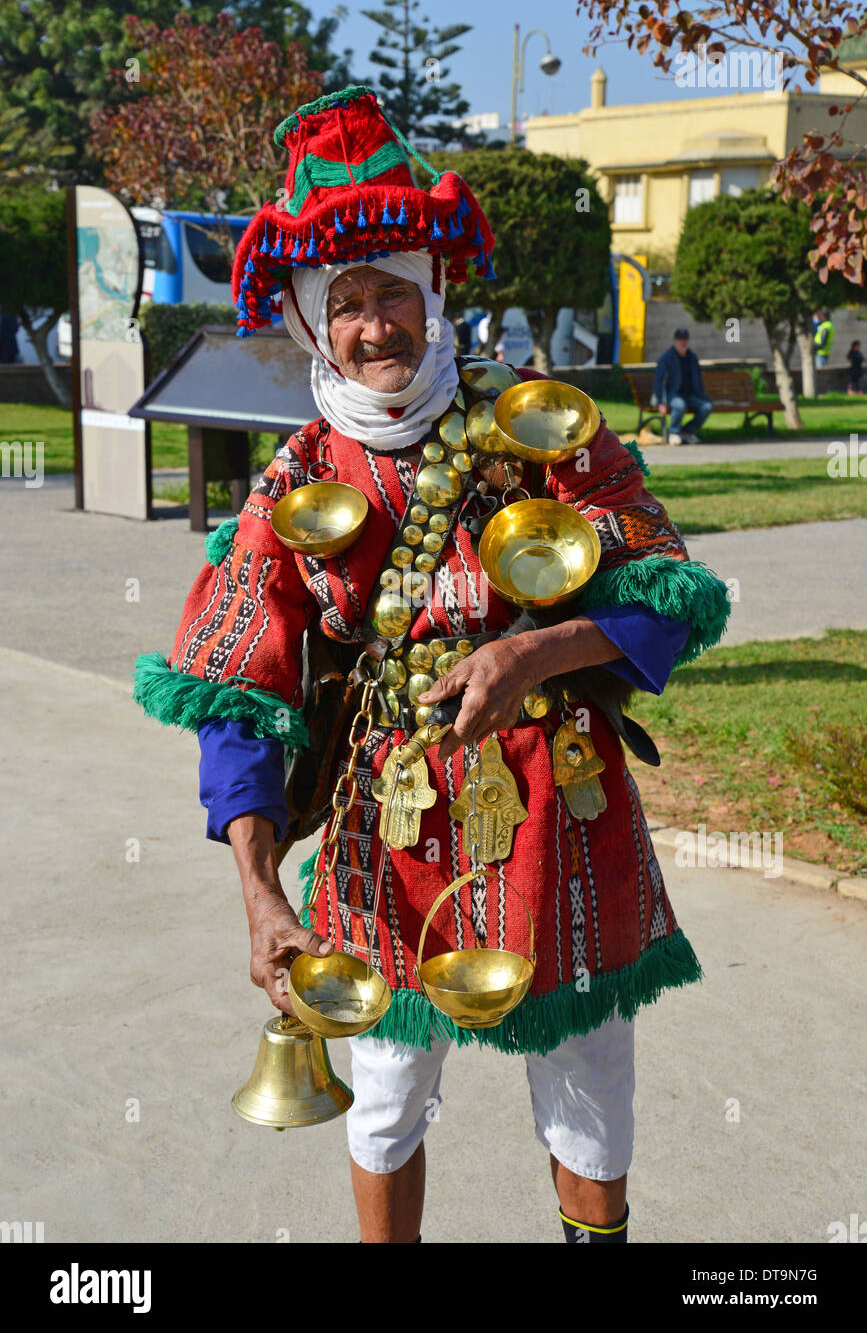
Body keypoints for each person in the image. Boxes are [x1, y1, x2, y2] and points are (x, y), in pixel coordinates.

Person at [134, 86, 730, 1245]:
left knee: (591, 1093)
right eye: (343, 302)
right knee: (386, 1101)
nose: (374, 326)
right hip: (381, 827)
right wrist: (259, 890)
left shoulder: (543, 429)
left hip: (565, 803)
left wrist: (539, 646)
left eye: (392, 291)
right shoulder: (291, 482)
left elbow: (672, 591)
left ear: (435, 292)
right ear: (311, 323)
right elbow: (240, 699)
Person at [652, 328, 713, 445]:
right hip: (672, 395)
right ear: (675, 341)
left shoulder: (692, 357)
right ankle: (673, 433)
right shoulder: (666, 358)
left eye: (685, 339)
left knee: (707, 406)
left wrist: (702, 395)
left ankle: (687, 432)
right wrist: (661, 401)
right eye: (680, 339)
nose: (682, 342)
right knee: (680, 405)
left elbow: (697, 379)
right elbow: (659, 381)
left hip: (690, 395)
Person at [814, 309, 835, 374]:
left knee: (820, 372)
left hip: (821, 351)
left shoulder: (826, 326)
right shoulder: (829, 324)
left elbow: (823, 341)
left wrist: (814, 348)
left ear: (823, 316)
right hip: (823, 351)